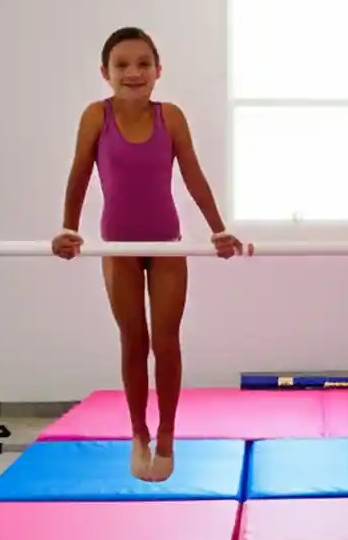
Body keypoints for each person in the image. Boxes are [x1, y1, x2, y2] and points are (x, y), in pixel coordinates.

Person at [51, 27, 243, 482]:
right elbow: (79, 175)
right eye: (122, 65)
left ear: (158, 70)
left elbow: (194, 176)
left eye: (143, 64)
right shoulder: (95, 117)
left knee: (166, 340)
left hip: (164, 243)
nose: (133, 73)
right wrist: (68, 230)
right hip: (118, 245)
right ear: (105, 72)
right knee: (133, 341)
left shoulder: (170, 117)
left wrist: (220, 231)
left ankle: (168, 434)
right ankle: (138, 434)